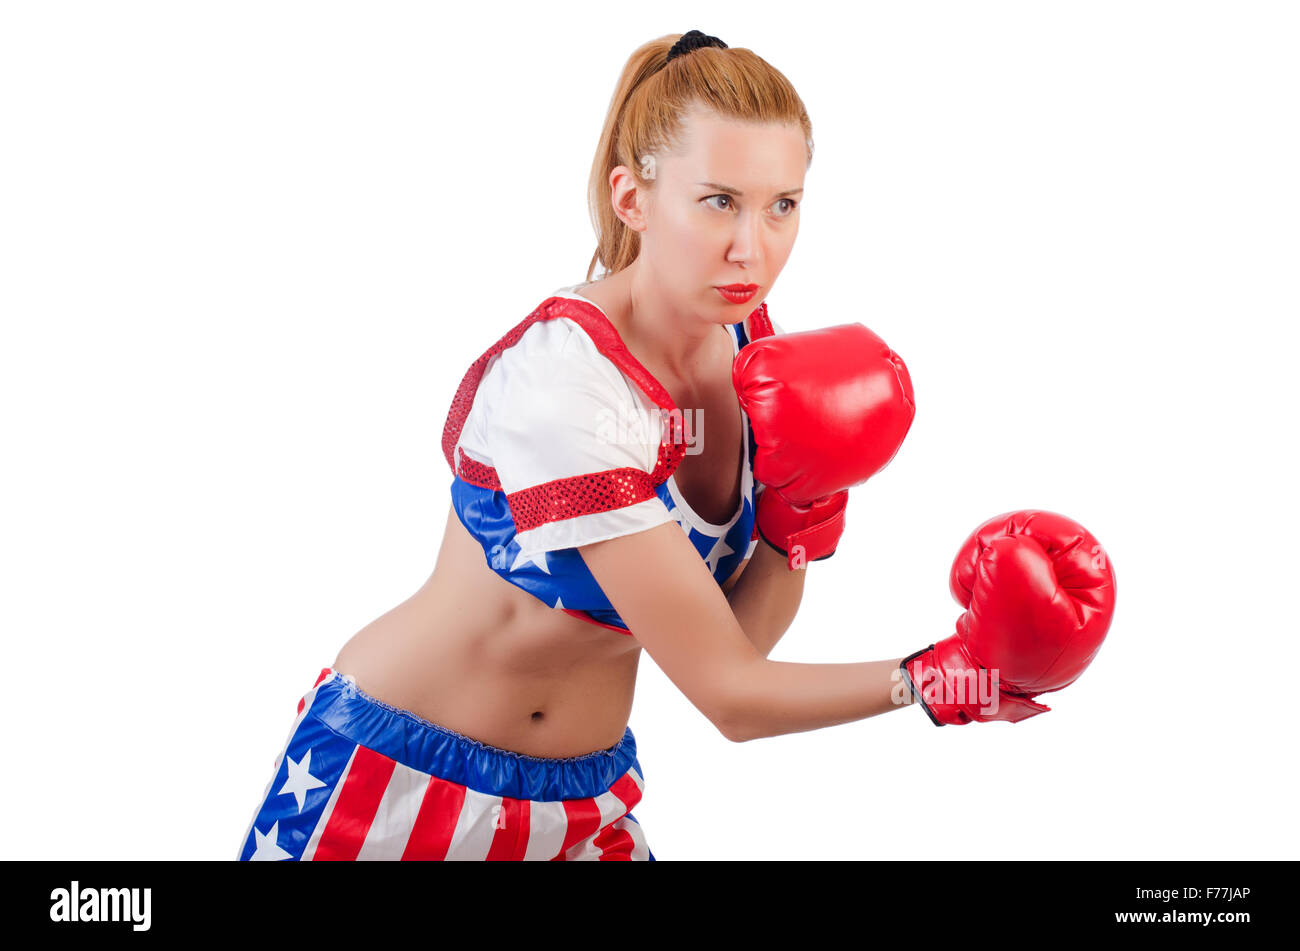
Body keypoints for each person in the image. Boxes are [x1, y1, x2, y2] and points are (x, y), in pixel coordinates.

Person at [237, 30, 1114, 862]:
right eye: (719, 202)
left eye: (783, 207)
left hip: (586, 795)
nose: (753, 247)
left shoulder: (752, 350)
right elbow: (731, 696)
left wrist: (797, 514)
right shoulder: (567, 389)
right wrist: (940, 678)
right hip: (397, 786)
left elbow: (739, 639)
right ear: (633, 198)